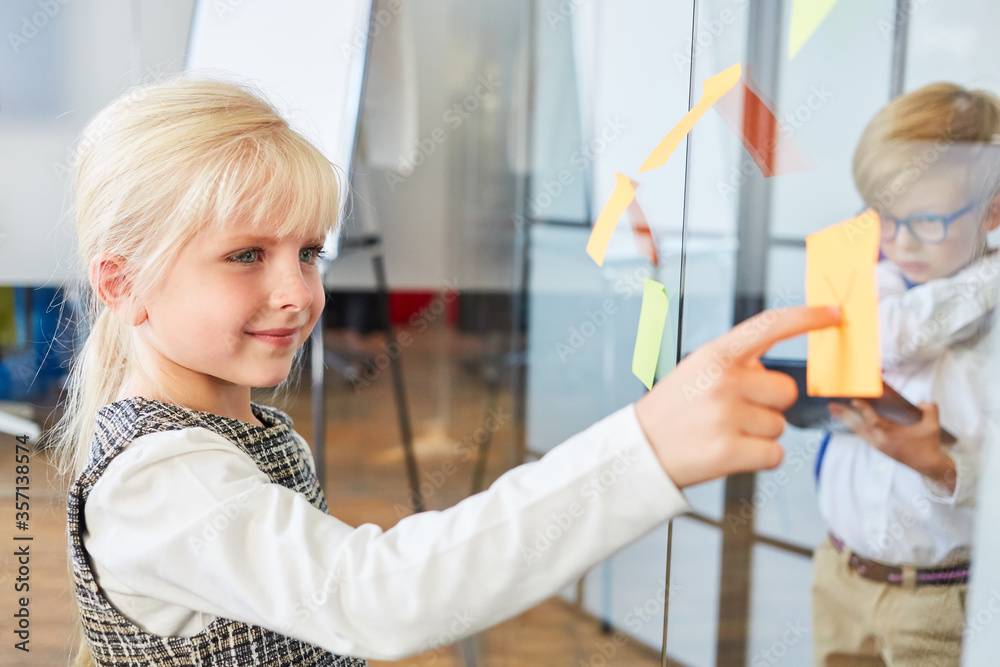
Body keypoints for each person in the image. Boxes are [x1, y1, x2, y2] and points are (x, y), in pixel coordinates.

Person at [54, 76, 840, 667]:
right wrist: (644, 448)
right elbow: (376, 595)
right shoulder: (164, 481)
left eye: (308, 252)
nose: (296, 292)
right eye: (246, 255)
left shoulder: (225, 428)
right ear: (122, 282)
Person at [812, 83, 1000, 666]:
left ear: (994, 208)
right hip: (839, 575)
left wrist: (941, 467)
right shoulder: (878, 278)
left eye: (925, 220)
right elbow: (887, 336)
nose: (898, 242)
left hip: (942, 602)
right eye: (883, 219)